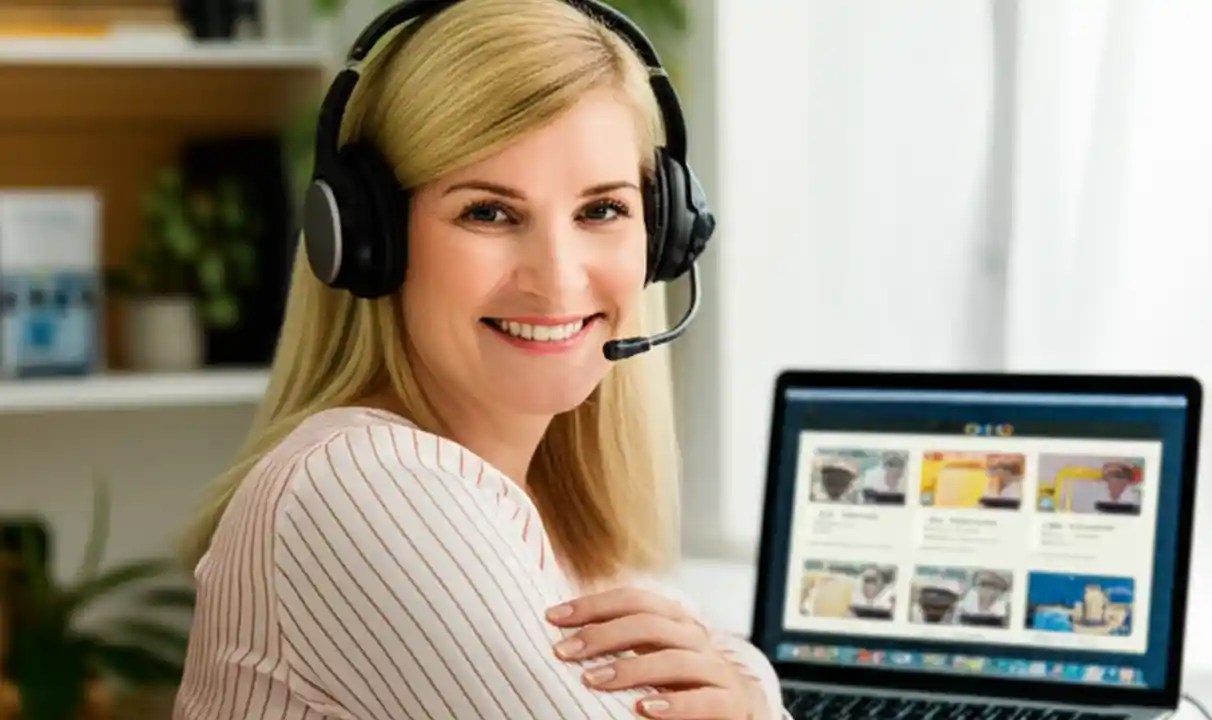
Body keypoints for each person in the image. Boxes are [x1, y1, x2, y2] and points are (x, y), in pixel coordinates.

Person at [170, 1, 785, 719]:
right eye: (488, 213)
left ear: (664, 234)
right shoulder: (365, 488)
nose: (557, 278)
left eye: (602, 211)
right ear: (369, 242)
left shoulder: (572, 542)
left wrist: (750, 691)